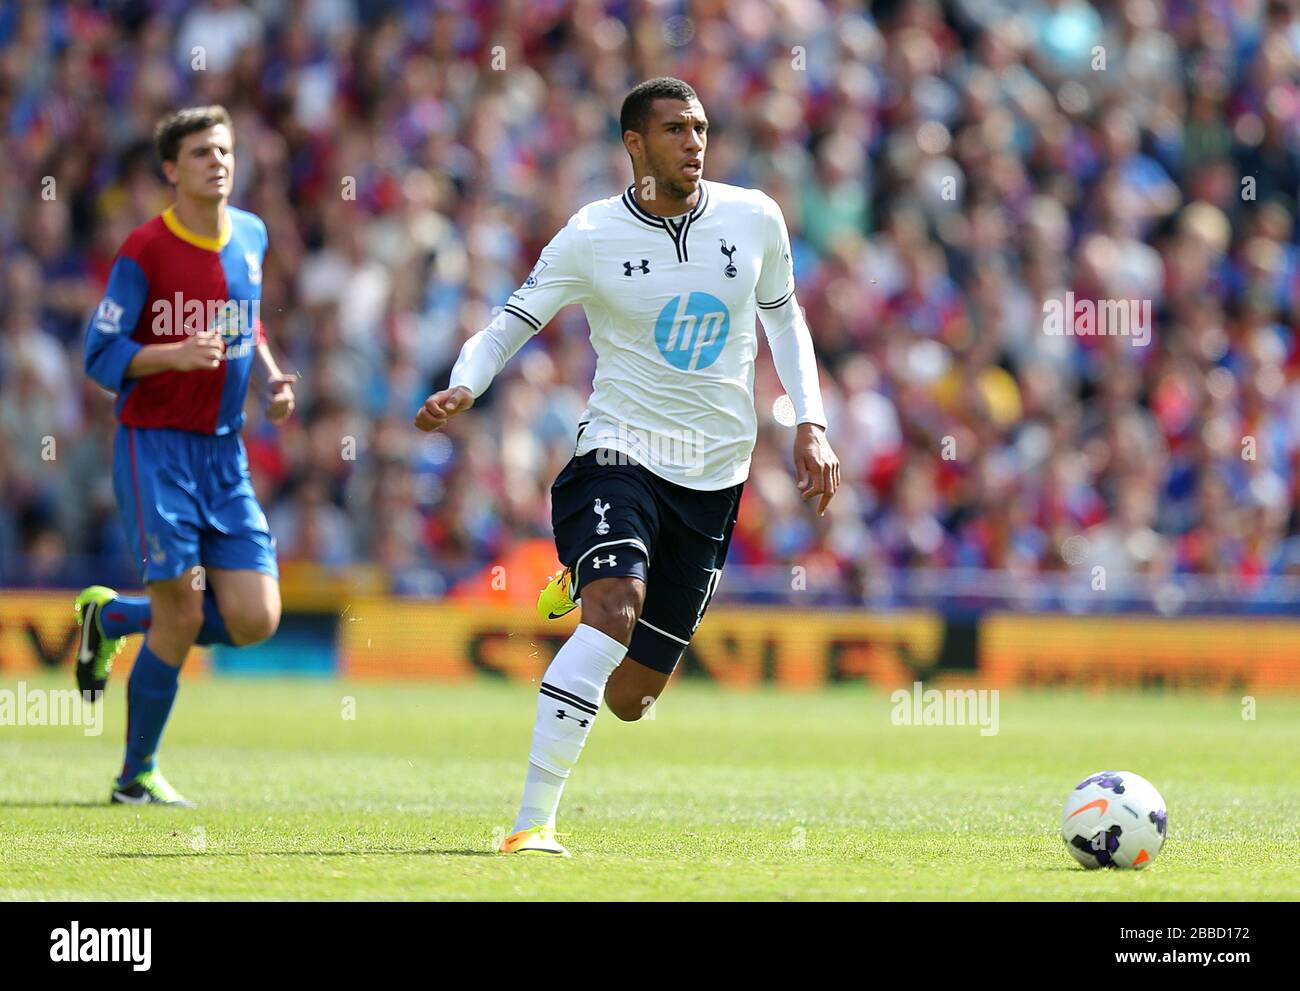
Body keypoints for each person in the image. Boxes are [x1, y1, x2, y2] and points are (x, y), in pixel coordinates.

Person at [414, 78, 840, 855]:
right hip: (620, 454)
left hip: (713, 479)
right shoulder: (590, 235)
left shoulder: (755, 218)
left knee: (632, 698)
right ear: (635, 144)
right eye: (675, 129)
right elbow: (515, 318)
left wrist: (810, 421)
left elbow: (785, 317)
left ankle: (583, 576)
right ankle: (530, 822)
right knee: (613, 607)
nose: (695, 142)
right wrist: (466, 382)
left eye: (702, 128)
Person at [77, 105, 297, 806]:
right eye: (201, 152)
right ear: (171, 170)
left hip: (224, 453)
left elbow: (247, 320)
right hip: (156, 449)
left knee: (257, 616)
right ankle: (133, 776)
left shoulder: (253, 234)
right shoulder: (145, 249)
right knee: (179, 612)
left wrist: (269, 378)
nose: (218, 162)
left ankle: (111, 619)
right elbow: (99, 355)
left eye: (225, 150)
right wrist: (176, 353)